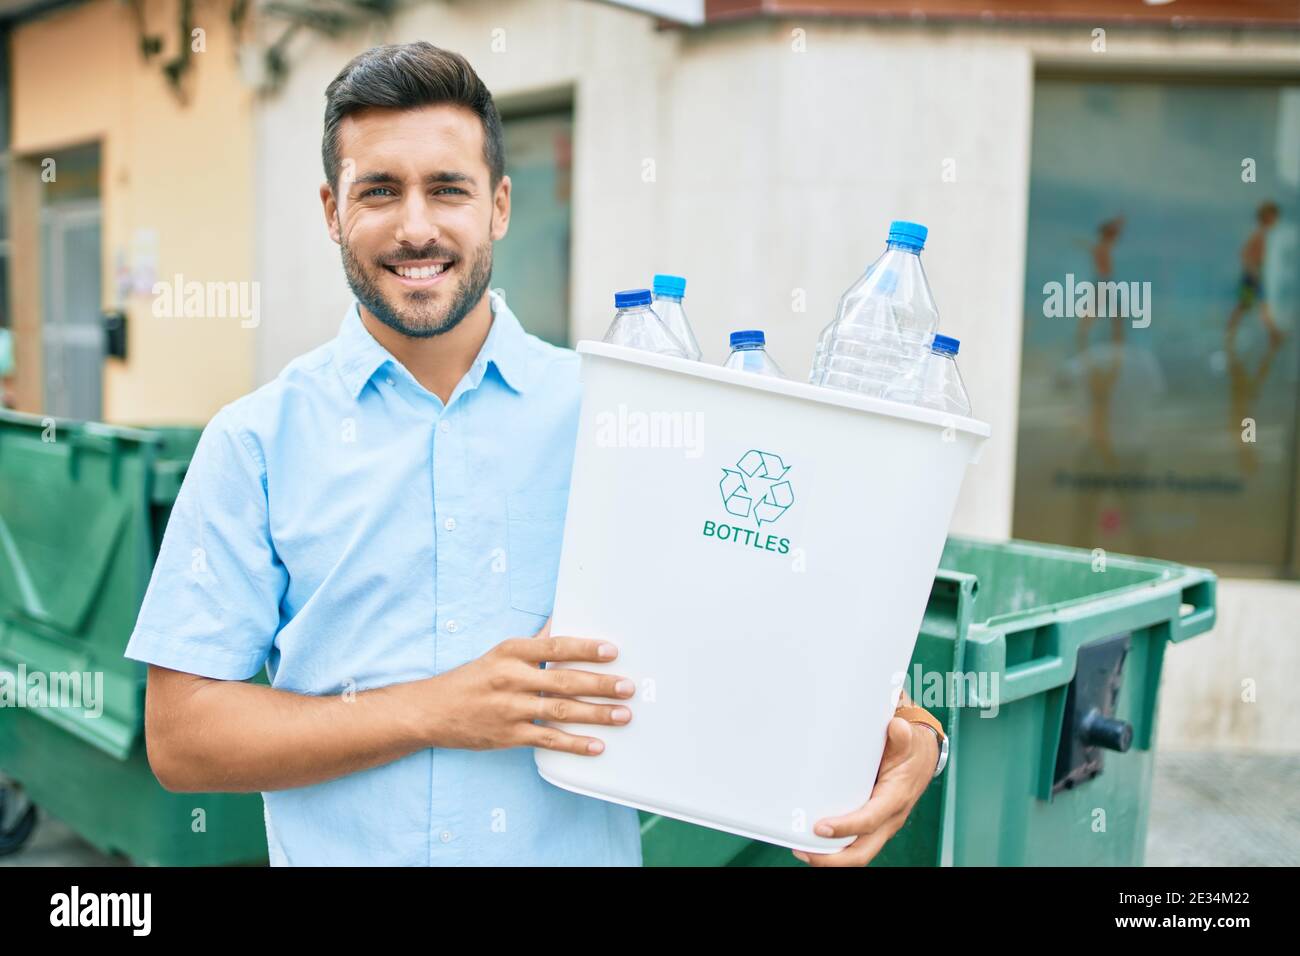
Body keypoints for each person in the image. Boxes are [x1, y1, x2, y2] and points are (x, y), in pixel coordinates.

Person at [125, 41, 945, 867]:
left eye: (448, 189)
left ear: (500, 206)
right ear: (333, 211)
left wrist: (913, 735)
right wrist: (437, 709)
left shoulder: (624, 417)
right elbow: (183, 736)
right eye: (379, 191)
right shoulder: (255, 443)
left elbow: (765, 615)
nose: (416, 227)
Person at [1228, 201, 1285, 347]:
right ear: (1268, 217)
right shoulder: (1259, 235)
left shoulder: (1261, 235)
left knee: (1247, 306)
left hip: (1253, 275)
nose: (1276, 220)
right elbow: (1245, 254)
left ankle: (1274, 333)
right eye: (1274, 217)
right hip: (1252, 277)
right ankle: (1274, 334)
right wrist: (1253, 273)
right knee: (1255, 306)